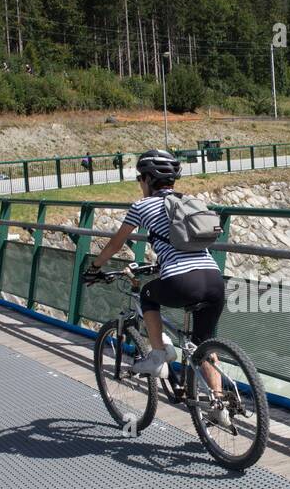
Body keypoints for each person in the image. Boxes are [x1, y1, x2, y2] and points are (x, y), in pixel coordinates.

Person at [87, 149, 226, 382]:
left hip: (182, 281)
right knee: (204, 347)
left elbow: (115, 244)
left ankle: (158, 356)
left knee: (148, 295)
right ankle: (219, 406)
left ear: (148, 179)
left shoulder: (142, 206)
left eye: (140, 178)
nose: (140, 183)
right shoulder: (189, 202)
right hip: (214, 279)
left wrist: (94, 267)